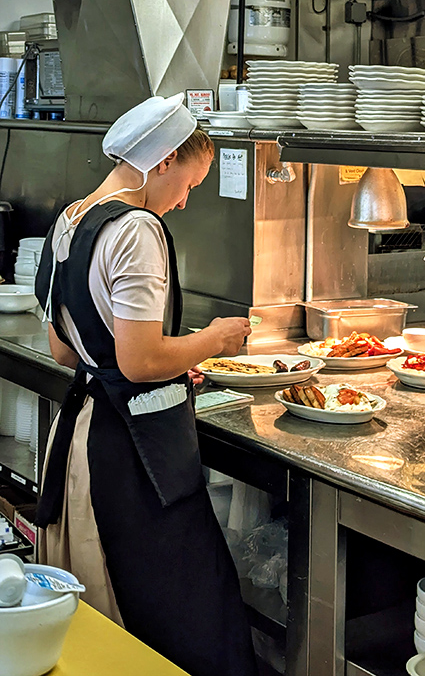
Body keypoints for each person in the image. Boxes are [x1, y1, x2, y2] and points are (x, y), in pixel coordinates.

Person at [35, 94, 257, 676]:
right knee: (185, 616)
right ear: (162, 163)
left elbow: (66, 349)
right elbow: (138, 361)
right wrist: (212, 338)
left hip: (82, 433)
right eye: (189, 183)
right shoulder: (137, 229)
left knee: (102, 618)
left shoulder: (72, 218)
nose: (185, 200)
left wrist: (169, 360)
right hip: (131, 458)